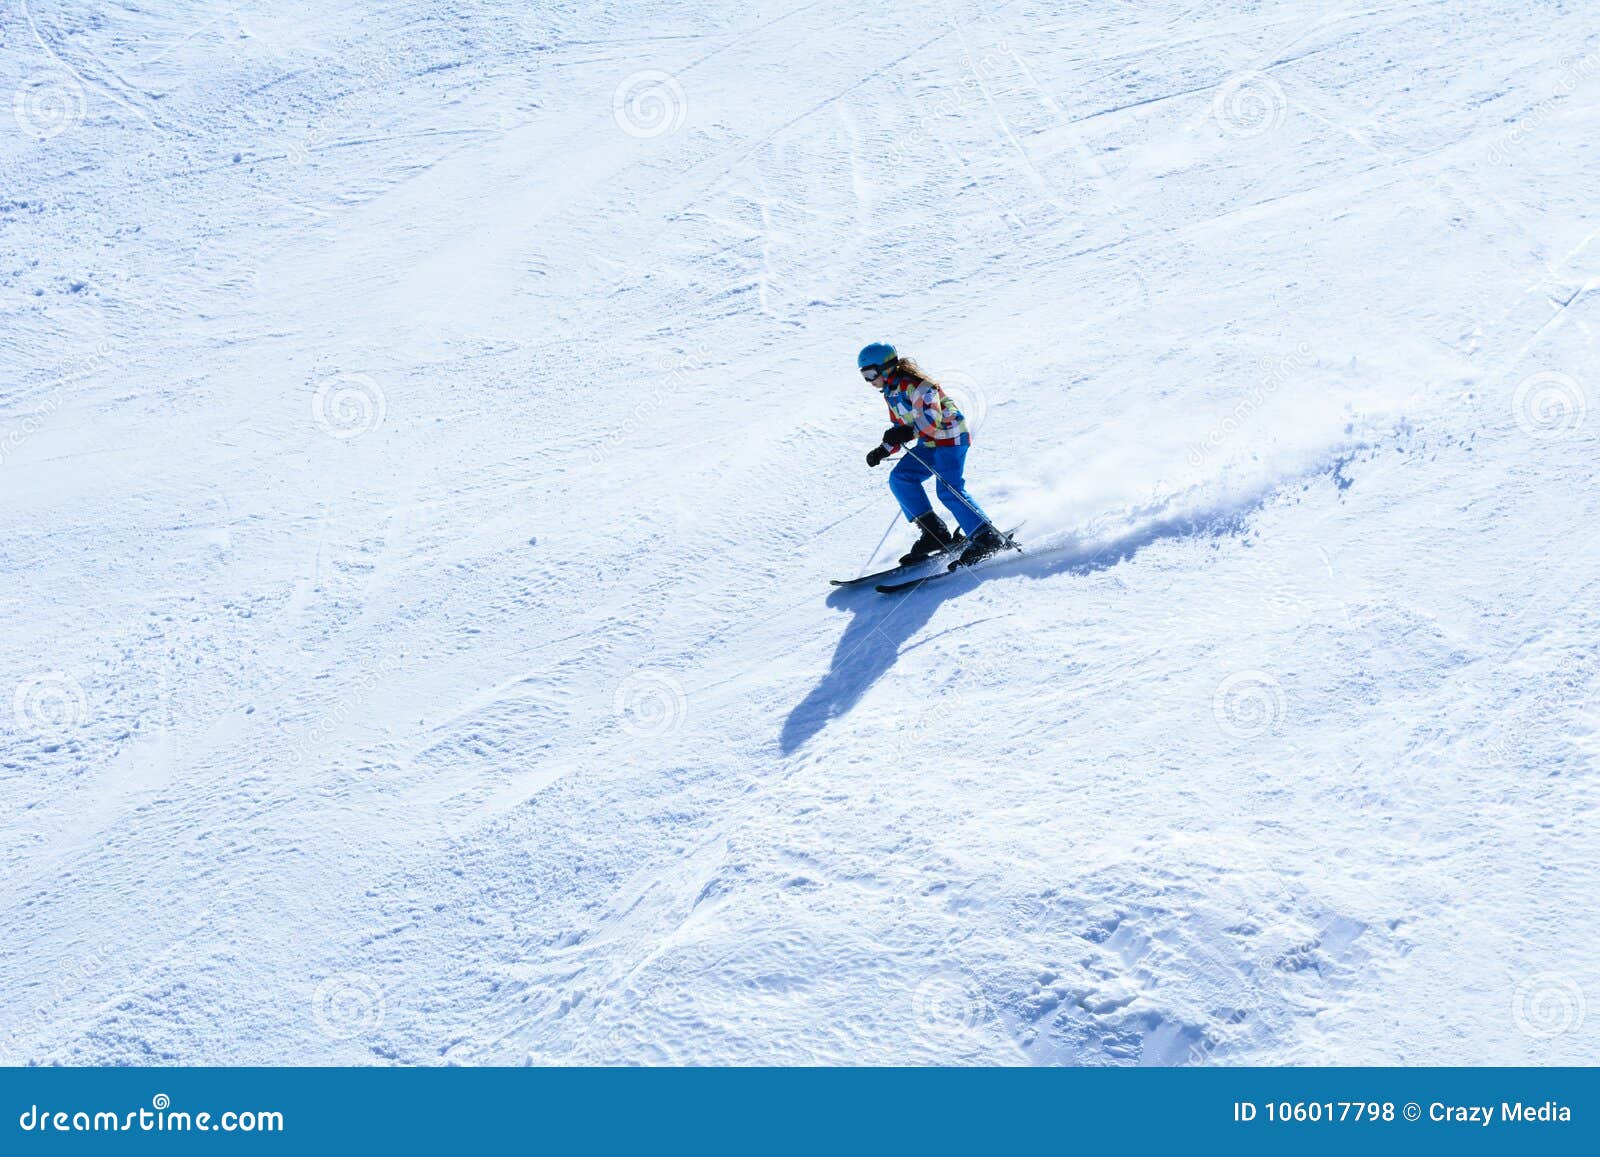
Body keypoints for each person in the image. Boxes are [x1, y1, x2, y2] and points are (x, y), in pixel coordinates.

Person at [858, 342, 1009, 569]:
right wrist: (884, 449)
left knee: (948, 488)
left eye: (871, 374)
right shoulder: (891, 393)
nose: (869, 381)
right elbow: (901, 428)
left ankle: (986, 536)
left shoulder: (919, 386)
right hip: (929, 442)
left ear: (886, 367)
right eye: (864, 376)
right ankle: (934, 533)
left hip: (951, 438)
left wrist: (906, 431)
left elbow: (932, 420)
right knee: (901, 478)